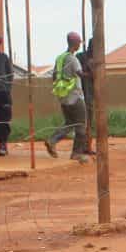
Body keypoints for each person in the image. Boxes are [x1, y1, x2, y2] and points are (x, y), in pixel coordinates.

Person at [46, 31, 90, 162]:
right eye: (79, 42)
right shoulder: (72, 59)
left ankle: (52, 140)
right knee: (81, 124)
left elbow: (54, 76)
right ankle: (77, 153)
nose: (79, 45)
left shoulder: (60, 58)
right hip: (75, 97)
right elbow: (80, 74)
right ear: (75, 43)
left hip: (63, 96)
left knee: (69, 123)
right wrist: (92, 74)